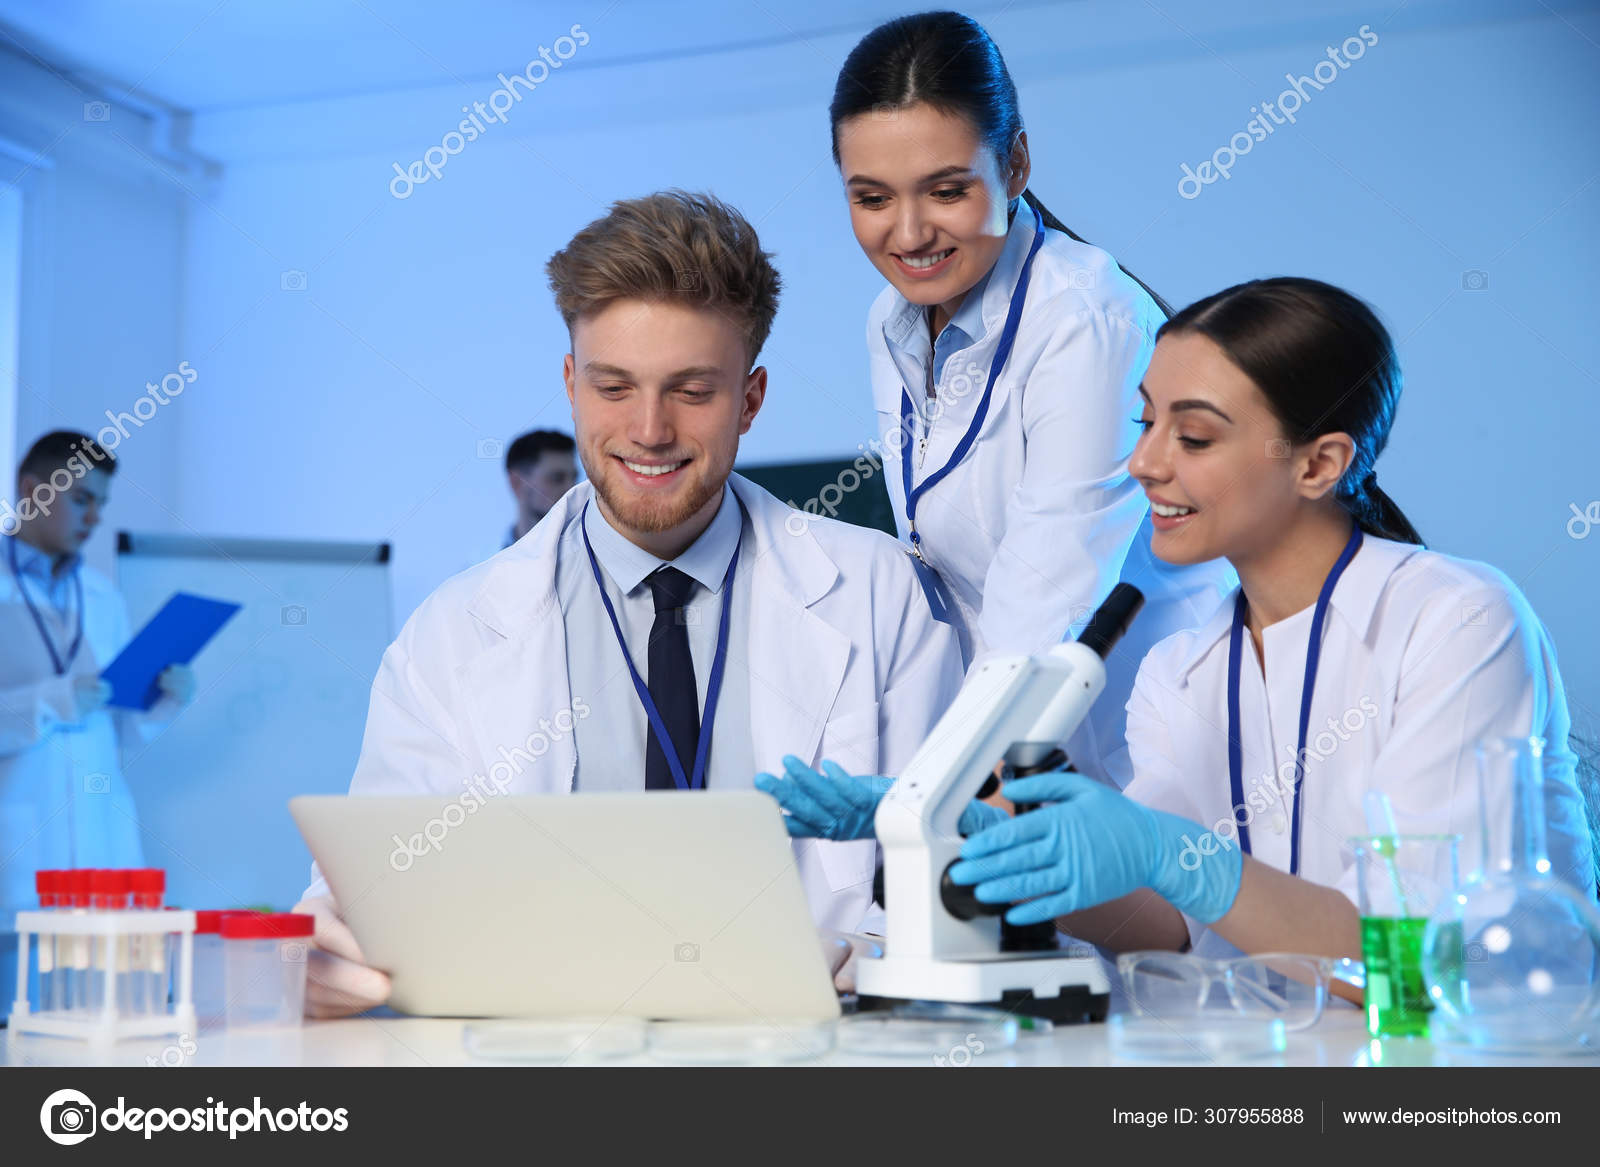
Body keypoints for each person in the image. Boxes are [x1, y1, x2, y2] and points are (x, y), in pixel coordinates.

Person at [760, 278, 1593, 981]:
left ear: (1319, 463)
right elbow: (1163, 926)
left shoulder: (1456, 623)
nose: (1145, 463)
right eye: (1145, 421)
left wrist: (1174, 852)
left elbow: (1413, 964)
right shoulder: (1184, 667)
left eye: (1192, 435)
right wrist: (953, 828)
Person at [294, 191, 964, 1018]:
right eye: (615, 386)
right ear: (571, 383)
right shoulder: (453, 634)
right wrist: (328, 951)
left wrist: (872, 953)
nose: (649, 430)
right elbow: (373, 885)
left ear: (750, 399)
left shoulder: (878, 595)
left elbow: (947, 874)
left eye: (692, 390)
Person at [830, 12, 1234, 788]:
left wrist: (931, 799)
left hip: (1150, 748)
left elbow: (1043, 593)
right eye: (872, 198)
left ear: (1015, 165)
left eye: (947, 190)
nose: (909, 233)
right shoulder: (890, 322)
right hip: (1011, 741)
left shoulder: (1089, 321)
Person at [0, 431, 197, 1005]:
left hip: (101, 855)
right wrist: (48, 700)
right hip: (19, 851)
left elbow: (113, 728)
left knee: (108, 1031)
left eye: (102, 504)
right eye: (81, 499)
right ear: (32, 490)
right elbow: (61, 704)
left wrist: (162, 698)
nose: (94, 517)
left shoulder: (101, 594)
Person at [500, 429, 578, 550]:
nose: (571, 488)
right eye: (557, 478)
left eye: (574, 478)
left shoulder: (593, 556)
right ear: (517, 484)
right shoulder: (481, 566)